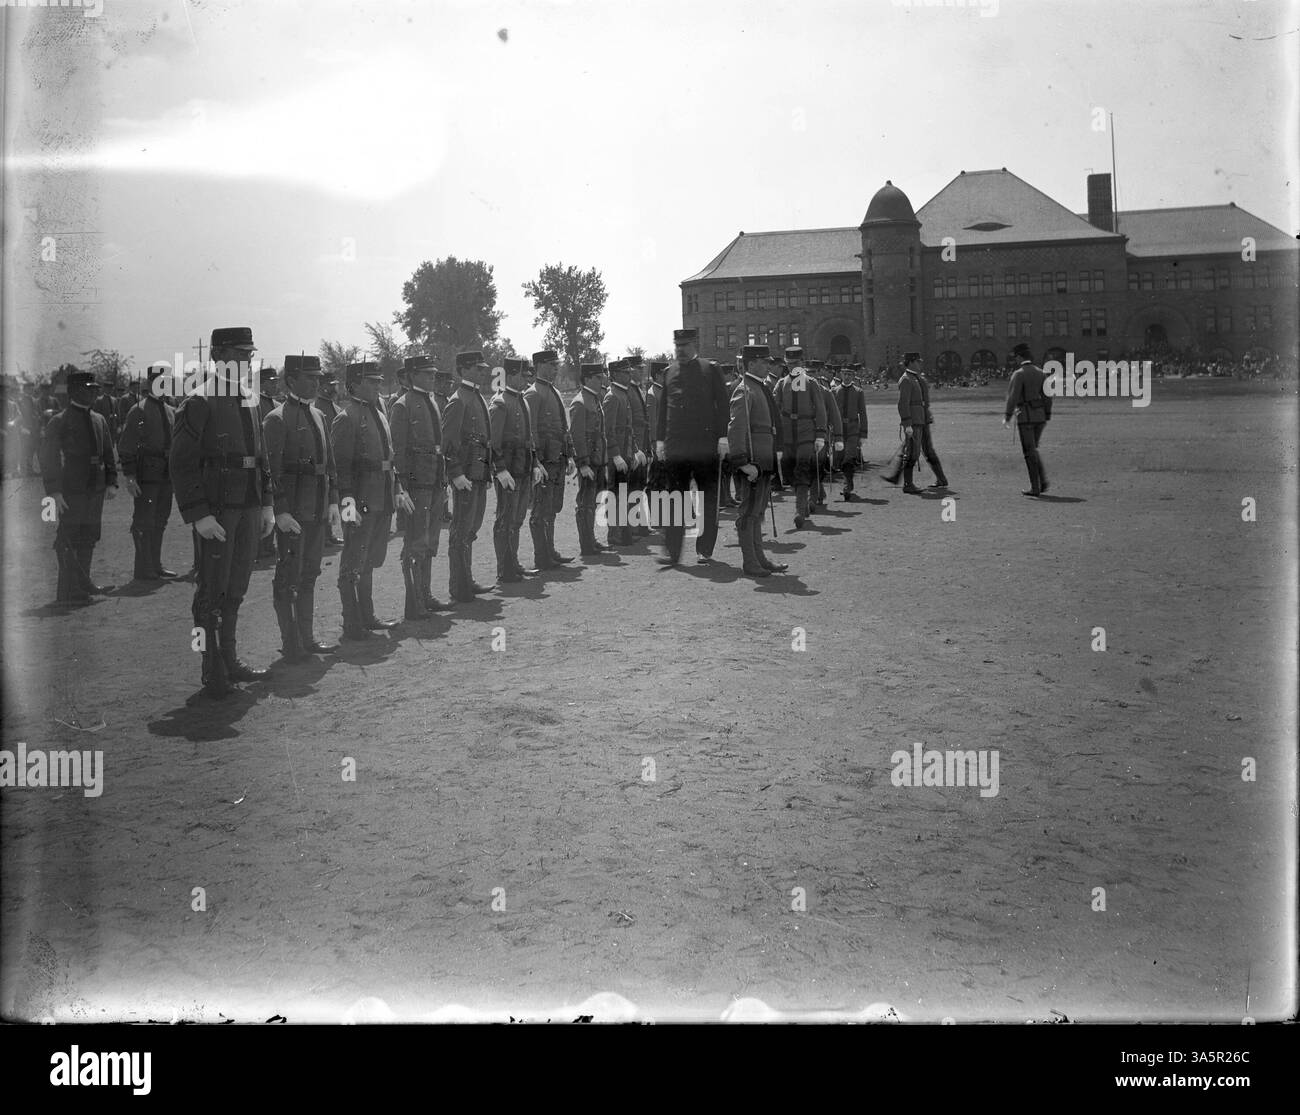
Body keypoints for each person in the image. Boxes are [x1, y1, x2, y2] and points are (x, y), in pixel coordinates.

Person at [170, 327, 275, 696]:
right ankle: (210, 669)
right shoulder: (199, 401)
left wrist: (266, 504)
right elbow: (181, 464)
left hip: (246, 507)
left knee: (235, 589)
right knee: (209, 596)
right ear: (218, 357)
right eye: (239, 355)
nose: (246, 361)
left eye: (248, 355)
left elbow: (260, 457)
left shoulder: (251, 399)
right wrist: (199, 515)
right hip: (217, 512)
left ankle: (228, 659)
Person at [263, 354, 341, 659]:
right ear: (291, 380)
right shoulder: (277, 419)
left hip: (317, 510)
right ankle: (291, 642)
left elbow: (330, 465)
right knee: (289, 576)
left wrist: (333, 501)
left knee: (310, 573)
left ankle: (307, 637)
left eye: (318, 378)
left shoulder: (320, 416)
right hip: (293, 513)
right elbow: (272, 470)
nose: (316, 382)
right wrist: (279, 510)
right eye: (310, 378)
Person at [333, 361, 405, 638]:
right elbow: (341, 468)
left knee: (370, 561)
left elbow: (390, 457)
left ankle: (368, 616)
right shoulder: (346, 417)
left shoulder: (380, 412)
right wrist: (348, 505)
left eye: (378, 381)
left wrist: (396, 490)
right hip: (361, 501)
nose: (378, 385)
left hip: (382, 498)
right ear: (354, 385)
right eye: (371, 382)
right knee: (353, 563)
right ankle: (352, 623)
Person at [41, 370, 119, 606]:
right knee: (68, 540)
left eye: (94, 389)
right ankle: (66, 593)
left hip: (95, 489)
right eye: (88, 389)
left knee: (88, 538)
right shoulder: (59, 421)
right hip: (71, 489)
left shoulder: (99, 419)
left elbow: (108, 453)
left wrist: (111, 481)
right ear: (74, 391)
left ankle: (82, 588)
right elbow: (49, 458)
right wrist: (54, 491)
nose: (93, 393)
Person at [654, 328, 730, 566]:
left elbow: (723, 405)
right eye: (677, 346)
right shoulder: (669, 372)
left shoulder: (711, 369)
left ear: (695, 344)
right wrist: (659, 440)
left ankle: (704, 549)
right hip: (677, 447)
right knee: (674, 498)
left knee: (707, 499)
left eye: (685, 345)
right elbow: (663, 410)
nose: (680, 350)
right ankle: (672, 551)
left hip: (705, 447)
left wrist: (723, 437)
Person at [391, 354, 450, 618]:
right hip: (416, 485)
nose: (432, 378)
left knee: (429, 543)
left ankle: (425, 596)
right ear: (412, 375)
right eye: (427, 374)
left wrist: (443, 480)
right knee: (415, 544)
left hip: (435, 481)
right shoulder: (402, 406)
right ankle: (414, 604)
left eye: (433, 374)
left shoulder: (432, 402)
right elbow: (398, 451)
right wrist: (401, 487)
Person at [729, 345, 788, 578]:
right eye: (764, 362)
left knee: (758, 511)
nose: (768, 366)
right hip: (752, 462)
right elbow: (736, 429)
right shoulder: (744, 391)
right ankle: (750, 562)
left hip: (763, 460)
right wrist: (743, 462)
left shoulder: (759, 388)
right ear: (751, 364)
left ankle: (760, 558)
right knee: (748, 512)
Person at [441, 351, 496, 601]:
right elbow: (448, 442)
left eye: (482, 368)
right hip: (465, 476)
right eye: (476, 368)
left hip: (478, 473)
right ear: (462, 370)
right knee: (461, 531)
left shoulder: (476, 397)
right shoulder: (458, 400)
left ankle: (467, 580)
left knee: (471, 529)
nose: (482, 372)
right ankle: (459, 586)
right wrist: (455, 473)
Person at [117, 363, 177, 580]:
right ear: (150, 383)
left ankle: (155, 564)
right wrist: (130, 475)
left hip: (165, 475)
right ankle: (143, 569)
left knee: (161, 520)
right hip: (147, 474)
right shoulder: (139, 410)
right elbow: (126, 446)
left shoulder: (170, 410)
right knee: (144, 521)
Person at [489, 357, 547, 582]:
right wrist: (500, 470)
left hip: (522, 469)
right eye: (524, 375)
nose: (527, 379)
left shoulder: (521, 400)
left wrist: (534, 464)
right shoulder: (500, 402)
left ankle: (513, 563)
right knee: (505, 520)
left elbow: (529, 438)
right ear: (511, 375)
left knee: (517, 519)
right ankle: (505, 569)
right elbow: (494, 442)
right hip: (509, 472)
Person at [522, 350, 575, 570]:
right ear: (540, 365)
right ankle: (541, 556)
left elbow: (563, 427)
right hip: (545, 462)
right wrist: (536, 462)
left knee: (552, 508)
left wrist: (569, 454)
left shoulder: (553, 391)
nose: (556, 368)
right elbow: (531, 431)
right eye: (552, 364)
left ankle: (550, 551)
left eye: (556, 364)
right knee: (540, 511)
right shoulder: (533, 394)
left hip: (558, 459)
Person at [773, 347, 827, 529]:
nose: (792, 367)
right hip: (787, 433)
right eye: (788, 364)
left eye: (795, 364)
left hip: (806, 431)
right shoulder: (781, 384)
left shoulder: (811, 383)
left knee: (802, 468)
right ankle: (802, 502)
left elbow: (820, 409)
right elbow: (774, 407)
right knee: (788, 471)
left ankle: (799, 510)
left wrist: (820, 435)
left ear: (802, 363)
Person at [889, 352, 949, 493]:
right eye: (917, 361)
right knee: (912, 453)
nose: (920, 364)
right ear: (910, 362)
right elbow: (903, 404)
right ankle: (908, 485)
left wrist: (927, 416)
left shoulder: (918, 378)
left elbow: (924, 402)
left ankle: (941, 479)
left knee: (929, 450)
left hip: (923, 420)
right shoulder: (906, 379)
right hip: (914, 422)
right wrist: (907, 423)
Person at [568, 362, 609, 556]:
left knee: (593, 502)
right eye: (598, 377)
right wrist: (582, 463)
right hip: (589, 462)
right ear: (588, 379)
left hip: (598, 459)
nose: (602, 381)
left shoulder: (593, 399)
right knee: (585, 503)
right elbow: (577, 436)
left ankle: (591, 539)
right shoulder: (580, 402)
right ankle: (586, 544)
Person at [602, 358, 644, 546]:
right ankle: (614, 534)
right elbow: (607, 430)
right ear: (616, 374)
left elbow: (629, 428)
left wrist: (634, 450)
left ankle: (623, 532)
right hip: (617, 454)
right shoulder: (612, 397)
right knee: (615, 494)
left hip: (625, 451)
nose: (629, 375)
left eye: (629, 372)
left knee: (624, 493)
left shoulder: (623, 394)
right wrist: (615, 454)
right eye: (626, 373)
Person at [1003, 342, 1052, 497]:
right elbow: (1048, 396)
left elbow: (1013, 397)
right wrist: (1047, 413)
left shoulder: (1019, 374)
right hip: (1040, 417)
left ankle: (1035, 487)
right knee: (1033, 450)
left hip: (1026, 417)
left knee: (1029, 452)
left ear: (1019, 357)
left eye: (1015, 357)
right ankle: (1042, 482)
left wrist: (1007, 415)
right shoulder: (1040, 372)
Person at [313, 366, 345, 544]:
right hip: (324, 459)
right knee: (324, 498)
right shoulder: (318, 406)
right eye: (331, 385)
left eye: (336, 385)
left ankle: (329, 534)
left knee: (333, 497)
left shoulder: (335, 406)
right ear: (323, 386)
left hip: (336, 459)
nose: (335, 388)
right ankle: (324, 535)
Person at [834, 367, 869, 501]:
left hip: (853, 428)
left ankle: (846, 486)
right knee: (841, 457)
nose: (847, 377)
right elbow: (831, 412)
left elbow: (863, 413)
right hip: (839, 429)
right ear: (841, 375)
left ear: (853, 376)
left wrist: (864, 433)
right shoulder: (834, 391)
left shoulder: (858, 392)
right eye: (845, 374)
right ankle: (848, 481)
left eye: (850, 374)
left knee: (849, 456)